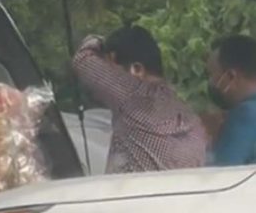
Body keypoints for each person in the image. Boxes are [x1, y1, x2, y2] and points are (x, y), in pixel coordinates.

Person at [73, 24, 207, 174]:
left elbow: (82, 59)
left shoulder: (132, 96)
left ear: (136, 69)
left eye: (110, 70)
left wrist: (100, 41)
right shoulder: (188, 116)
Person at [207, 35, 256, 166]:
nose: (211, 82)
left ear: (230, 76)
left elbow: (218, 174)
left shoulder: (244, 116)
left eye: (212, 75)